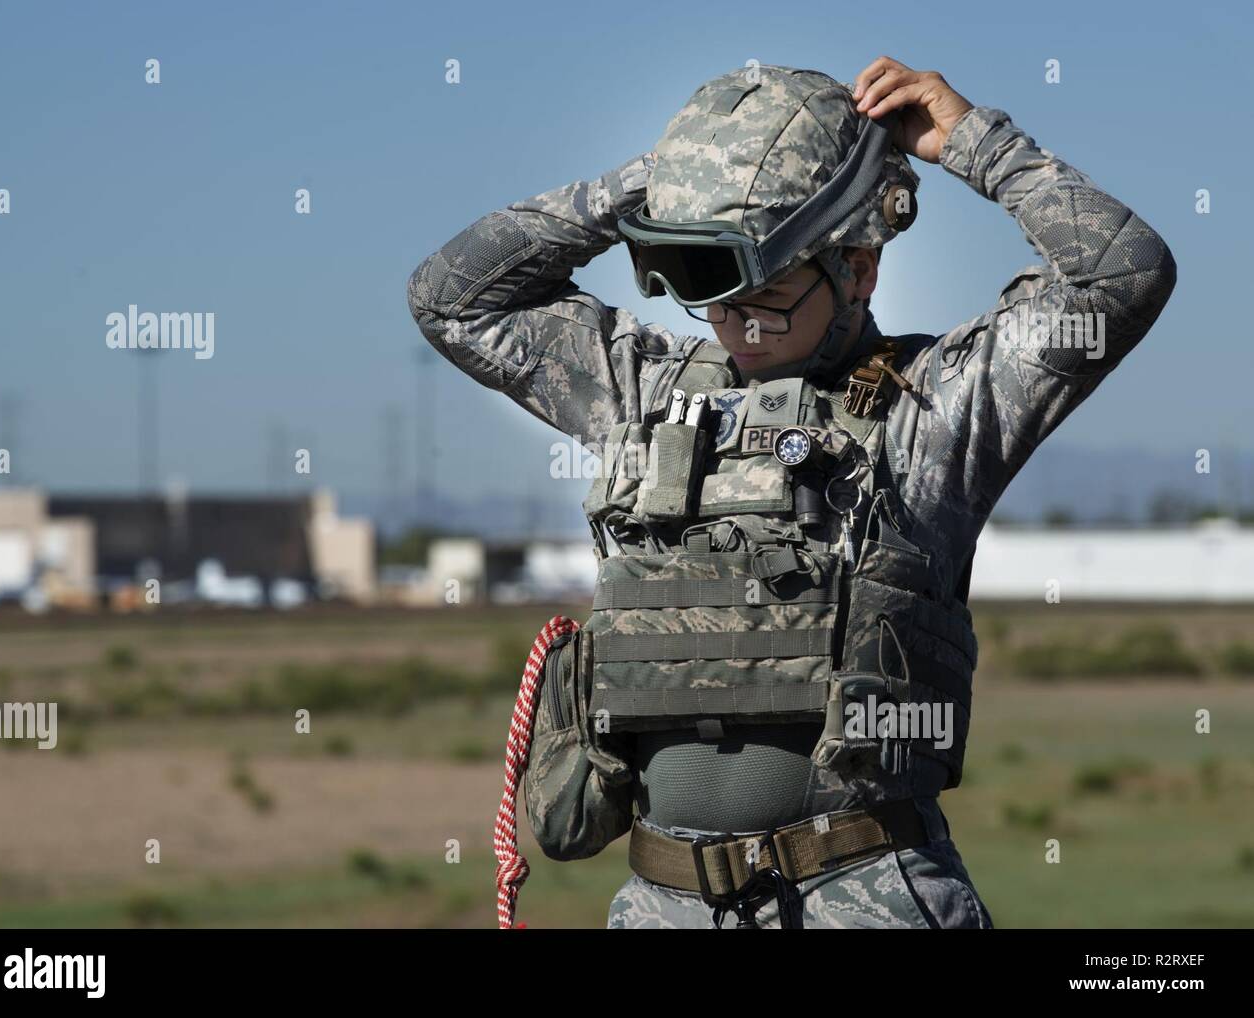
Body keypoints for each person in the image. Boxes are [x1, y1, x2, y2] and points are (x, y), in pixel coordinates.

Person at [406, 58, 1176, 928]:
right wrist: (659, 187)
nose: (740, 323)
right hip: (665, 903)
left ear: (860, 269)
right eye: (714, 293)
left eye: (769, 292)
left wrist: (974, 142)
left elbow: (1122, 274)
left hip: (865, 895)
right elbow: (453, 302)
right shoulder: (643, 393)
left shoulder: (937, 407)